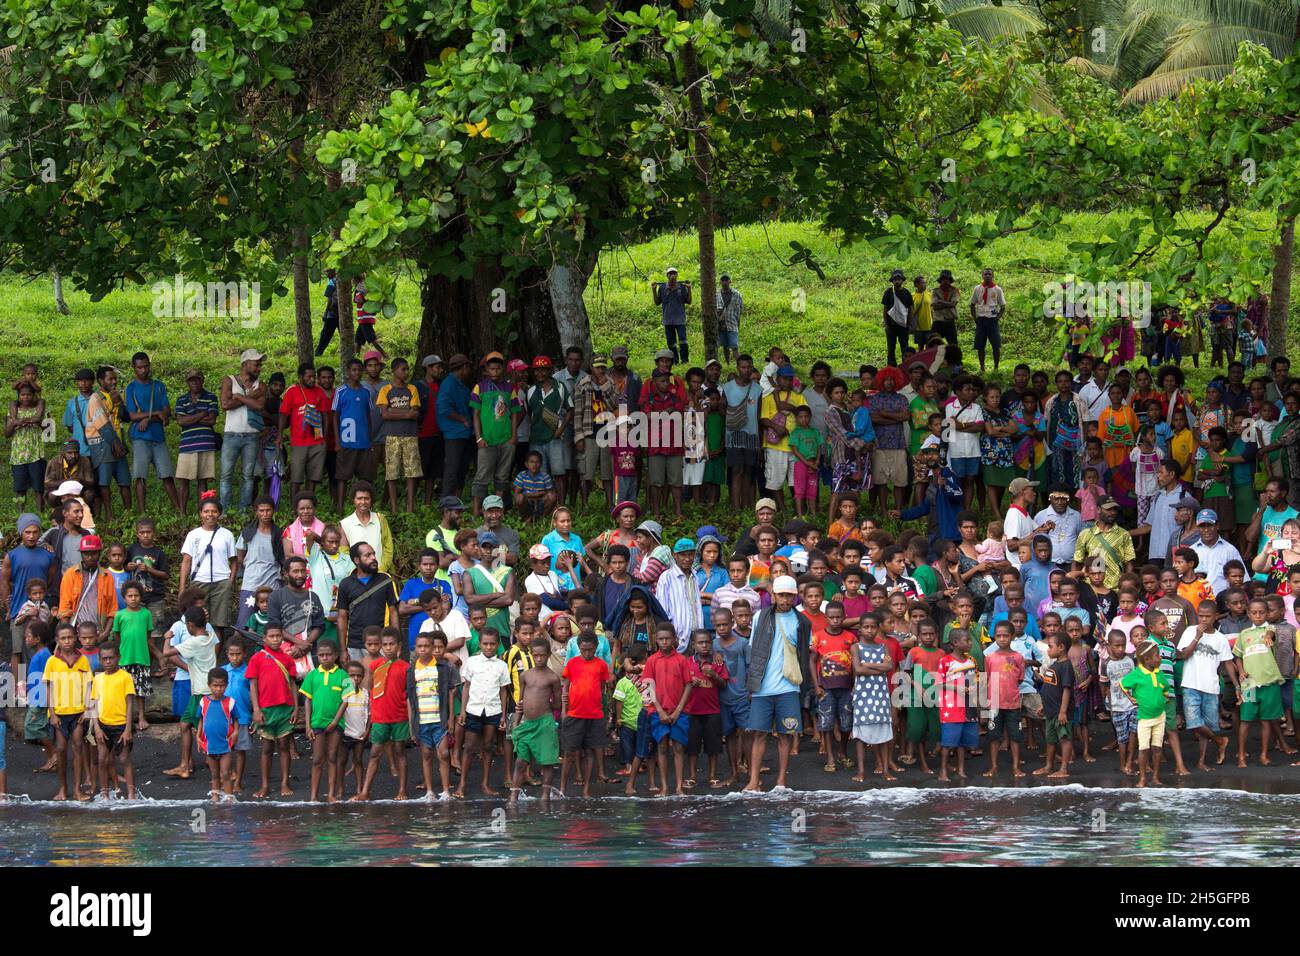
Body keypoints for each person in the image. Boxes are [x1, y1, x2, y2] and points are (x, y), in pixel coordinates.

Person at [743, 575, 811, 791]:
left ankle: (781, 781)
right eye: (781, 595)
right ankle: (754, 781)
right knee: (759, 733)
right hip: (763, 687)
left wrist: (806, 687)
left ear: (795, 597)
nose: (785, 599)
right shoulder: (760, 617)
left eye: (789, 595)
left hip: (789, 687)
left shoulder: (803, 622)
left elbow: (805, 655)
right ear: (773, 596)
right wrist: (752, 684)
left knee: (786, 734)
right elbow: (753, 651)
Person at [1177, 601, 1236, 770]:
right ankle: (1220, 741)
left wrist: (1238, 686)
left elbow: (1228, 663)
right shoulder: (1190, 631)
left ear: (1215, 616)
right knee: (1194, 723)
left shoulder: (1220, 638)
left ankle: (1201, 761)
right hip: (1190, 684)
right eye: (1201, 616)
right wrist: (1197, 636)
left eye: (1207, 616)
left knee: (1207, 727)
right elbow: (1183, 655)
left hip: (1211, 686)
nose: (1203, 619)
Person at [355, 629, 411, 801]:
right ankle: (365, 791)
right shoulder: (374, 665)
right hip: (380, 716)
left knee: (400, 751)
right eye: (385, 645)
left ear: (398, 646)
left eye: (391, 644)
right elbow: (371, 689)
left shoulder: (406, 667)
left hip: (400, 716)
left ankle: (402, 790)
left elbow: (408, 693)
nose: (388, 648)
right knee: (374, 753)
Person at [509, 637, 563, 804]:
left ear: (548, 655)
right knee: (520, 761)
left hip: (545, 723)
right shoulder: (525, 675)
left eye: (542, 656)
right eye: (536, 655)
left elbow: (558, 703)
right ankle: (514, 795)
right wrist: (516, 723)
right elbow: (520, 700)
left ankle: (545, 795)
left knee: (547, 762)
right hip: (527, 723)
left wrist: (548, 705)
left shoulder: (552, 678)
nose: (539, 659)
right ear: (531, 655)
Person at [458, 627, 510, 797]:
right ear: (479, 644)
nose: (489, 647)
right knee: (469, 747)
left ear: (498, 645)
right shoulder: (472, 662)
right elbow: (466, 686)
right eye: (485, 644)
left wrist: (503, 715)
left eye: (492, 644)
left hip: (493, 710)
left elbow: (504, 691)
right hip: (473, 709)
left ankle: (485, 784)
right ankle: (462, 785)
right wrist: (463, 711)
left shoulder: (502, 666)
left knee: (488, 746)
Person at [178, 494, 238, 636]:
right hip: (199, 583)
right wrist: (182, 588)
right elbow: (186, 561)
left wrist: (230, 582)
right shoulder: (193, 535)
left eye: (214, 511)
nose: (210, 514)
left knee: (219, 625)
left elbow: (234, 561)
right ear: (200, 514)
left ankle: (215, 659)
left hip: (221, 583)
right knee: (197, 622)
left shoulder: (227, 534)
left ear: (219, 514)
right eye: (206, 511)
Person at [408, 631, 458, 800]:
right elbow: (410, 700)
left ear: (432, 647)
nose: (423, 649)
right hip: (421, 720)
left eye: (426, 646)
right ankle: (429, 791)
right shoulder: (412, 670)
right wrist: (411, 726)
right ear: (415, 648)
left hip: (440, 718)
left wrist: (451, 718)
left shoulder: (442, 667)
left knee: (443, 754)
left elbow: (450, 693)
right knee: (426, 754)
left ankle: (445, 791)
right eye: (419, 646)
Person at [218, 349, 268, 512]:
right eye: (256, 364)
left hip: (252, 435)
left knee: (248, 476)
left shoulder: (261, 385)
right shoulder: (229, 380)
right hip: (231, 434)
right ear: (245, 364)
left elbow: (259, 406)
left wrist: (238, 397)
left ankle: (244, 510)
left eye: (260, 365)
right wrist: (249, 397)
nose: (259, 368)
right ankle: (225, 509)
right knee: (226, 474)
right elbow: (225, 405)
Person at [1119, 641, 1172, 787]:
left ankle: (1155, 777)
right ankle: (1142, 778)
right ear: (1147, 660)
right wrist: (1130, 697)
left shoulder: (1159, 673)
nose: (1160, 658)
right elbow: (1123, 684)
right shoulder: (1137, 674)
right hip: (1144, 718)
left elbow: (1165, 689)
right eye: (1157, 655)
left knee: (1157, 748)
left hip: (1160, 717)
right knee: (1143, 748)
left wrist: (1164, 698)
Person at [89, 643, 138, 799]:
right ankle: (104, 794)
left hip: (121, 724)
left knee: (124, 758)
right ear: (100, 660)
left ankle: (131, 793)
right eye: (104, 659)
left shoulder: (125, 677)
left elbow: (130, 703)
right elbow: (93, 704)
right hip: (103, 724)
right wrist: (96, 727)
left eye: (111, 658)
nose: (108, 662)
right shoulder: (98, 679)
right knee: (102, 759)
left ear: (118, 658)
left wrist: (128, 729)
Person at [335, 543, 399, 660]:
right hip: (354, 645)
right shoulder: (345, 584)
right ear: (357, 560)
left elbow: (394, 612)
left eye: (373, 554)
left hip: (382, 643)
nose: (373, 558)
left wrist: (396, 643)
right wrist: (343, 649)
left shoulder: (386, 580)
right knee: (357, 678)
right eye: (368, 555)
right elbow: (342, 617)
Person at [172, 369, 219, 513]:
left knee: (202, 480)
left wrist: (190, 418)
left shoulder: (211, 396)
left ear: (202, 380)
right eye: (191, 380)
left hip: (205, 443)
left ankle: (202, 512)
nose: (194, 382)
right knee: (183, 480)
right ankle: (182, 513)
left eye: (197, 379)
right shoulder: (181, 399)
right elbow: (180, 421)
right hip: (187, 445)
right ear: (187, 382)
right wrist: (202, 414)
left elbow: (211, 420)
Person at [1033, 631, 1075, 778]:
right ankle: (1048, 766)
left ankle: (1063, 768)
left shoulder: (1066, 666)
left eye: (1050, 647)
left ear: (1061, 647)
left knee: (1064, 738)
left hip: (1060, 712)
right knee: (1050, 740)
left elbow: (1066, 690)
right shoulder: (1055, 665)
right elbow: (1050, 688)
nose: (1048, 650)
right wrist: (1044, 706)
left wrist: (1063, 711)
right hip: (1050, 711)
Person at [436, 354, 474, 501]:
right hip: (454, 434)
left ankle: (456, 502)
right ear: (464, 367)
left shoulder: (458, 383)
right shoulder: (449, 384)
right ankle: (446, 503)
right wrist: (462, 419)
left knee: (461, 470)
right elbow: (443, 408)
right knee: (452, 470)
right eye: (468, 367)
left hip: (464, 433)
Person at [653, 267, 691, 363]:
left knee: (683, 341)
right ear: (667, 276)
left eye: (674, 274)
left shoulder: (682, 288)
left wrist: (689, 289)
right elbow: (657, 302)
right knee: (671, 343)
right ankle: (674, 361)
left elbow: (689, 301)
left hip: (680, 319)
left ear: (677, 276)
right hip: (668, 320)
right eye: (670, 274)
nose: (673, 276)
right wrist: (653, 290)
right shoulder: (661, 288)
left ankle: (685, 360)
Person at [881, 268, 913, 368]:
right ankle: (891, 367)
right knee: (891, 348)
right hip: (891, 326)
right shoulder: (888, 293)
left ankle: (906, 366)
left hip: (903, 326)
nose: (897, 281)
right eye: (895, 279)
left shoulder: (907, 293)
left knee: (905, 347)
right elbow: (885, 309)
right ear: (893, 281)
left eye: (899, 279)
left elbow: (910, 309)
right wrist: (886, 325)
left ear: (902, 280)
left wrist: (910, 324)